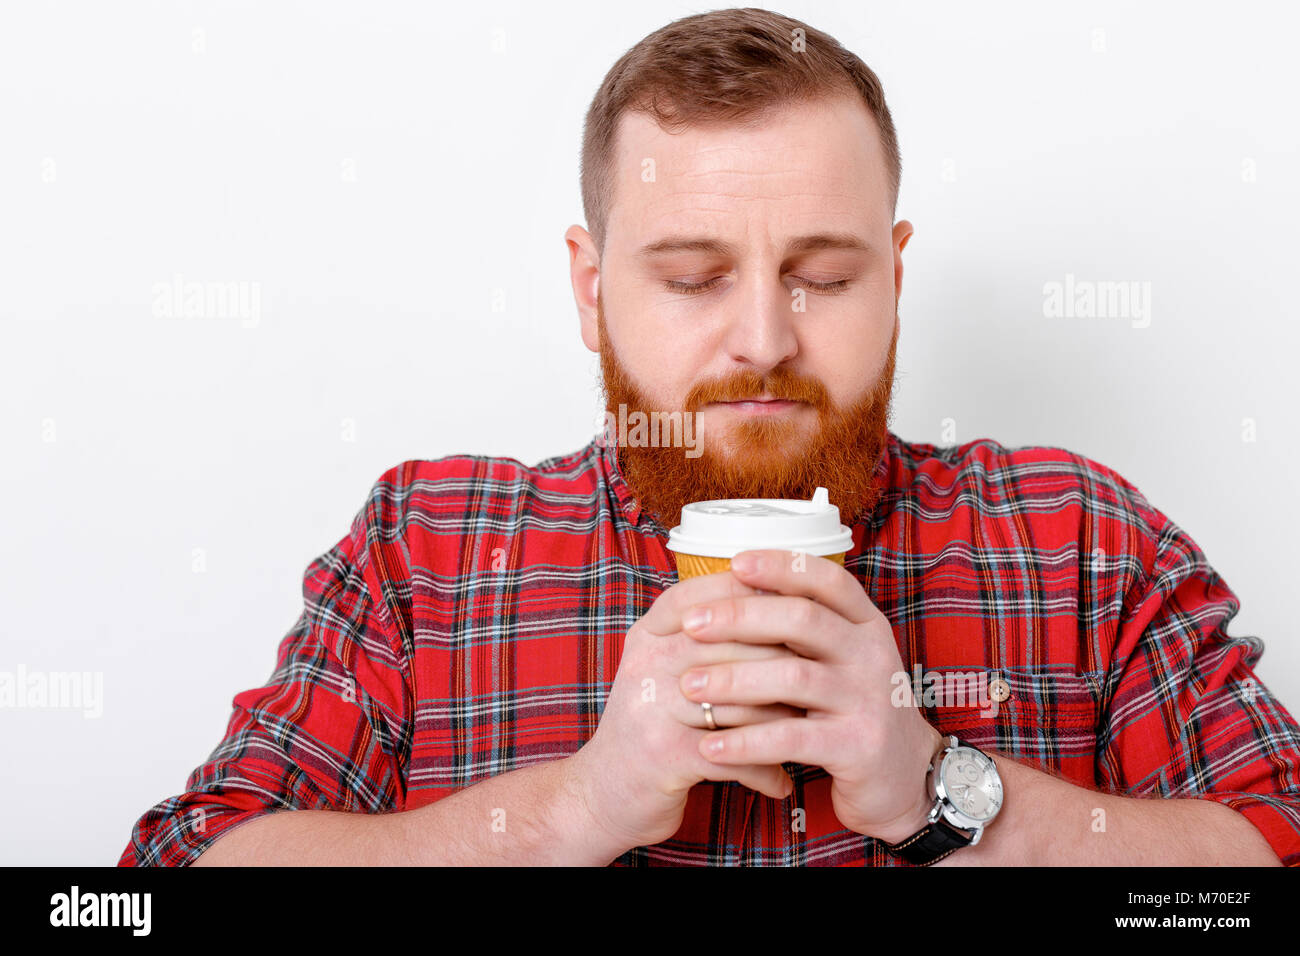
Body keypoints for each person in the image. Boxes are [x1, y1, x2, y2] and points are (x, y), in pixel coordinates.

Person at [119, 7, 1300, 866]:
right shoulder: (427, 550)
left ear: (893, 277)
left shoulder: (1075, 537)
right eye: (691, 277)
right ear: (589, 291)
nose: (762, 340)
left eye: (823, 276)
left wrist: (941, 789)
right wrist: (575, 807)